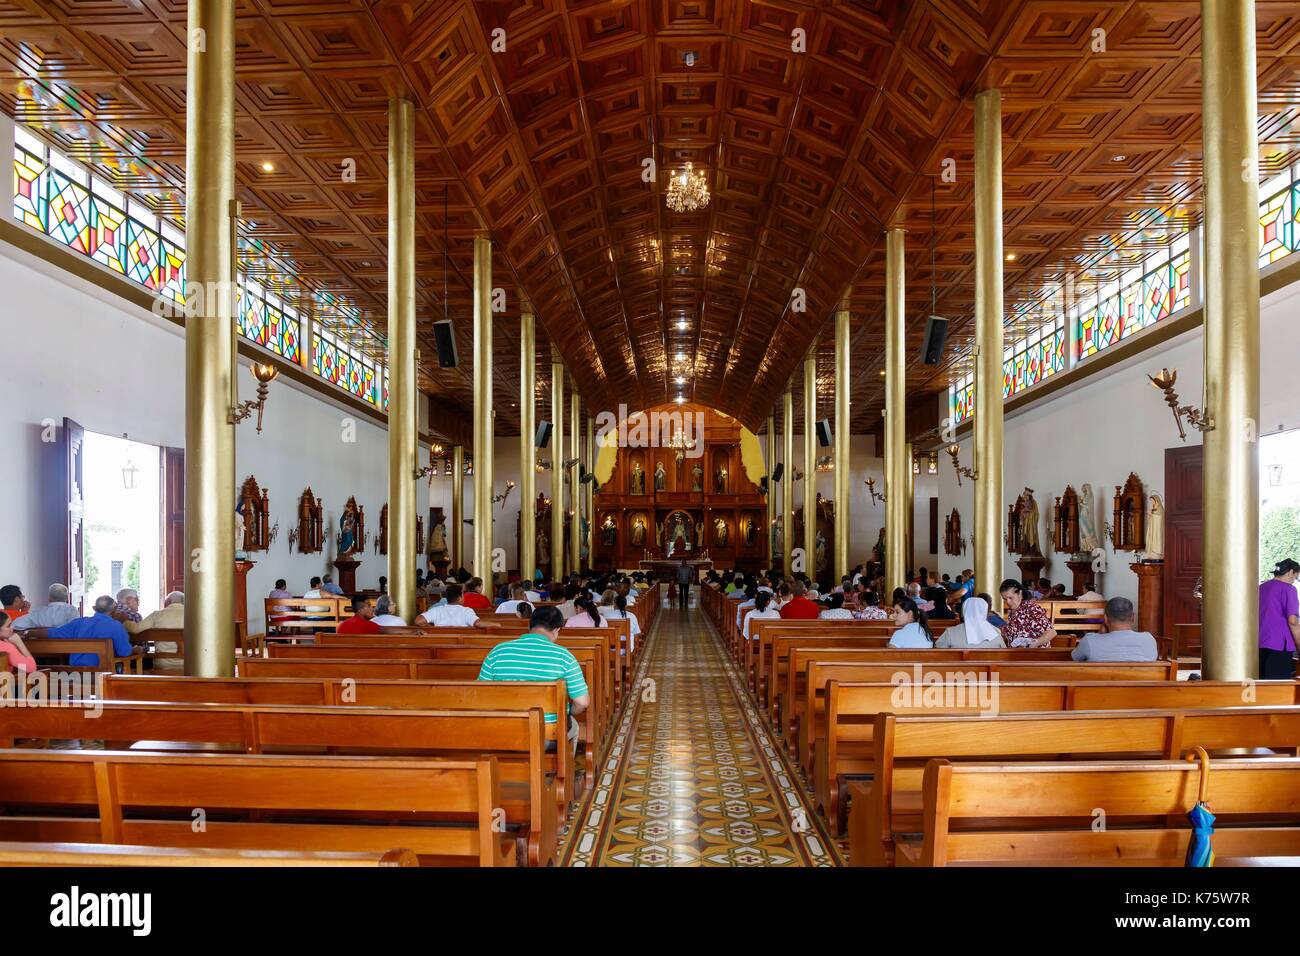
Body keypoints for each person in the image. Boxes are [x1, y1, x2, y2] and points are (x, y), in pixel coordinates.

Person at [478, 605, 589, 751]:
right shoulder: (564, 656)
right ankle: (561, 771)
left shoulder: (497, 651)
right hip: (548, 735)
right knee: (573, 726)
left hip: (502, 731)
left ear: (529, 626)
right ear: (557, 630)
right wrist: (569, 711)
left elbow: (480, 694)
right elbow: (582, 702)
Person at [41, 594, 144, 668]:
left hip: (74, 672)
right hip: (103, 674)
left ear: (94, 608)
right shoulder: (116, 626)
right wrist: (136, 649)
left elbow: (52, 633)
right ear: (114, 610)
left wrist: (28, 633)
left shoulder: (78, 623)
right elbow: (124, 652)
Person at [1072, 596, 1158, 662]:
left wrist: (1098, 636)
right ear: (1133, 617)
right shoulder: (1148, 639)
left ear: (1105, 618)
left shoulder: (1090, 640)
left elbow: (1075, 658)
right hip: (1140, 685)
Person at [1258, 559, 1300, 679]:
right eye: (1295, 577)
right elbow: (1293, 621)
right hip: (1280, 645)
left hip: (1260, 643)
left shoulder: (1260, 588)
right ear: (1291, 572)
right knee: (1278, 688)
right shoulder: (1289, 589)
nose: (1293, 581)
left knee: (1263, 685)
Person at [998, 579, 1057, 648]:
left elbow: (1051, 633)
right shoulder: (1012, 611)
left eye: (1010, 598)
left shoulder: (1031, 608)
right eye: (1005, 599)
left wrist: (1032, 644)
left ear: (1020, 593)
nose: (1008, 602)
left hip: (1034, 654)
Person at [936, 595, 1006, 648]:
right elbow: (1003, 654)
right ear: (985, 612)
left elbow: (938, 651)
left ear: (963, 612)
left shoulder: (950, 632)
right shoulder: (995, 633)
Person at [13, 583, 78, 632]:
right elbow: (76, 630)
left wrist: (31, 631)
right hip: (67, 647)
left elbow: (15, 624)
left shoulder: (37, 612)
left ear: (49, 598)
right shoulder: (72, 611)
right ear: (67, 598)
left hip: (41, 648)